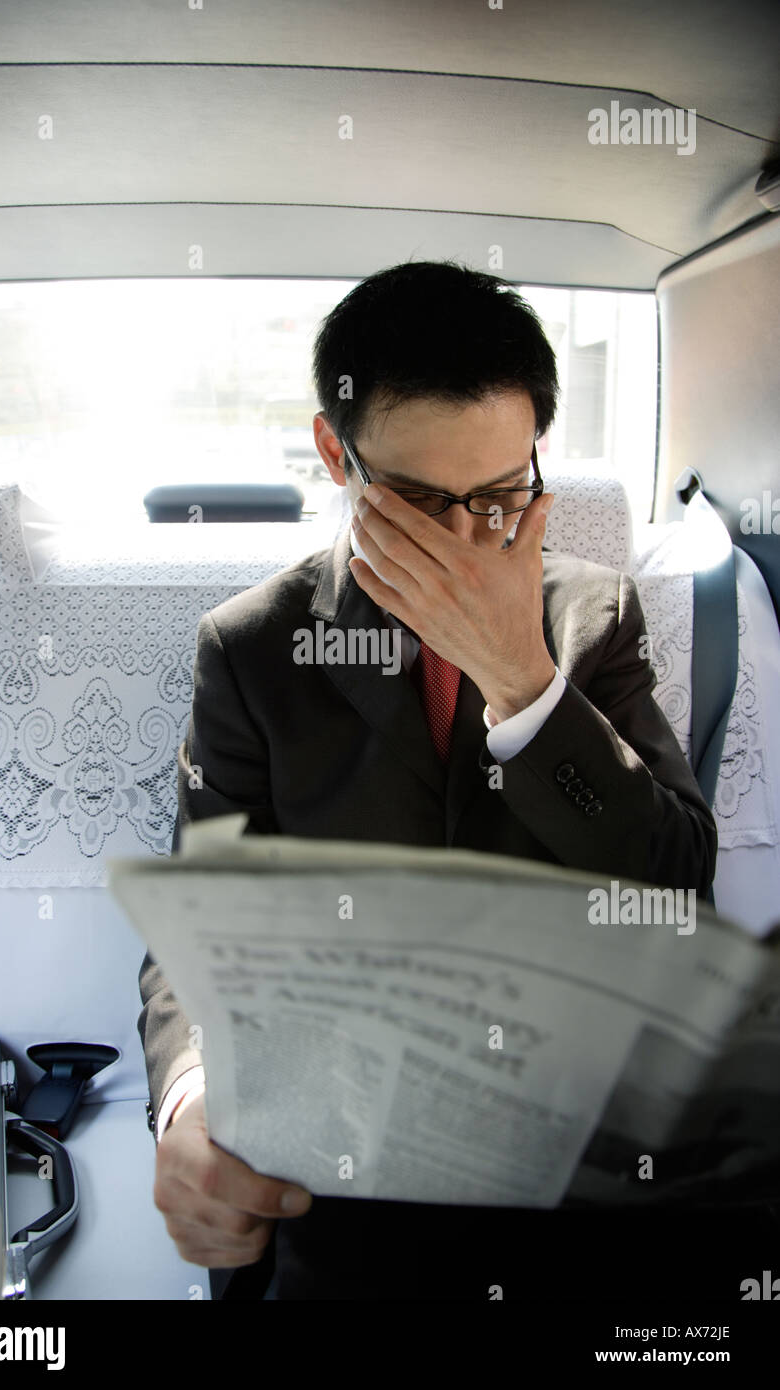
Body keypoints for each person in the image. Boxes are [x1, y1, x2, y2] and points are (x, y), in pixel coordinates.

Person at [137, 261, 719, 1300]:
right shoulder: (252, 649)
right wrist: (190, 1103)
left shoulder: (593, 619)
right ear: (335, 451)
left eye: (498, 498)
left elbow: (673, 888)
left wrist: (522, 683)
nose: (460, 544)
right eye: (413, 501)